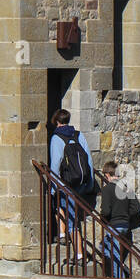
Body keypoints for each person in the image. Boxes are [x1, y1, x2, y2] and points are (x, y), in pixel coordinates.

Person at [48, 109, 96, 266]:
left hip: (66, 184)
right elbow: (88, 158)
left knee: (70, 220)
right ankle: (62, 235)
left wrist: (54, 187)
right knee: (67, 211)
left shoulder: (57, 138)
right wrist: (90, 182)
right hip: (80, 183)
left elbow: (55, 164)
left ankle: (79, 254)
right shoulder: (78, 134)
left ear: (56, 121)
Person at [99, 161, 135, 279]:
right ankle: (122, 267)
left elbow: (106, 211)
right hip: (126, 225)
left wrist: (103, 217)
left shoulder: (107, 189)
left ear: (108, 175)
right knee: (106, 247)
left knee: (110, 252)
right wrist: (125, 215)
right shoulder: (126, 187)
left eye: (105, 176)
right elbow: (136, 208)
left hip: (114, 225)